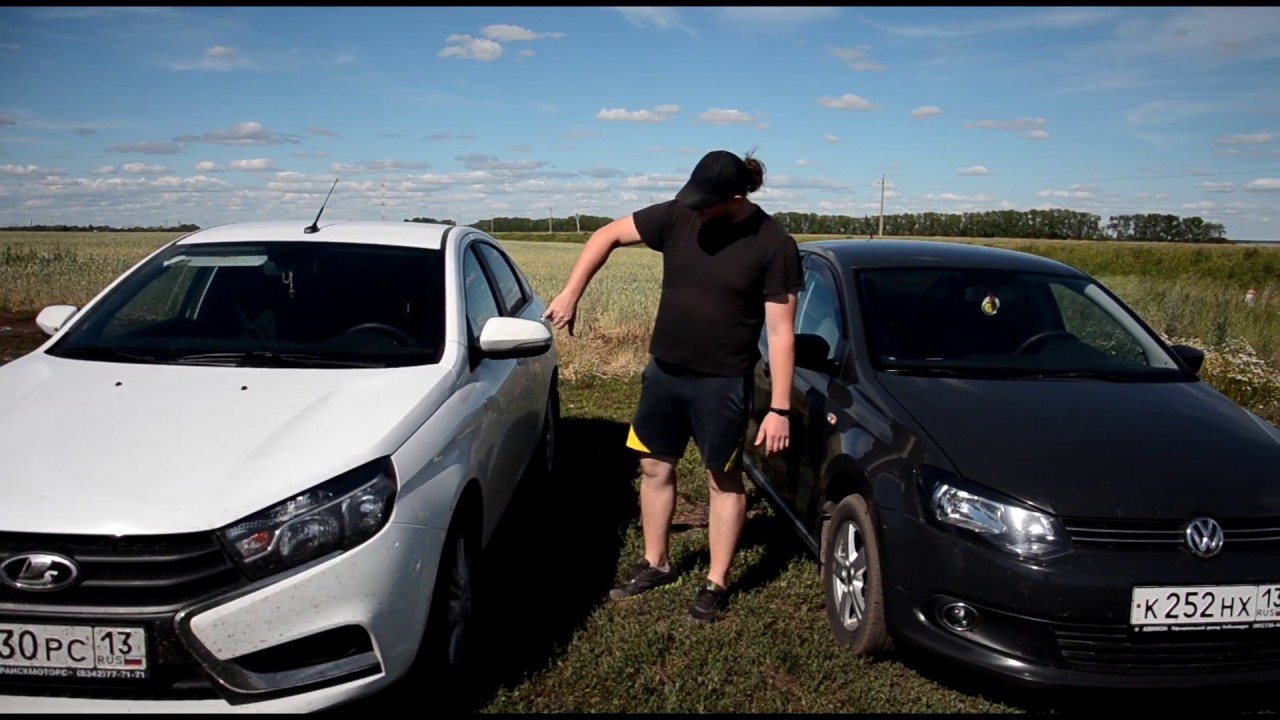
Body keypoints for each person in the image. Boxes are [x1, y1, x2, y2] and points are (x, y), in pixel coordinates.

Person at [542, 148, 803, 625]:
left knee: (722, 479)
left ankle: (715, 582)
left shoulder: (772, 243)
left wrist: (779, 408)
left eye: (706, 203)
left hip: (722, 383)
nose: (696, 210)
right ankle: (656, 561)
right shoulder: (679, 216)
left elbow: (782, 332)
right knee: (653, 466)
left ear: (736, 198)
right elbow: (607, 235)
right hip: (665, 374)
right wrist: (571, 291)